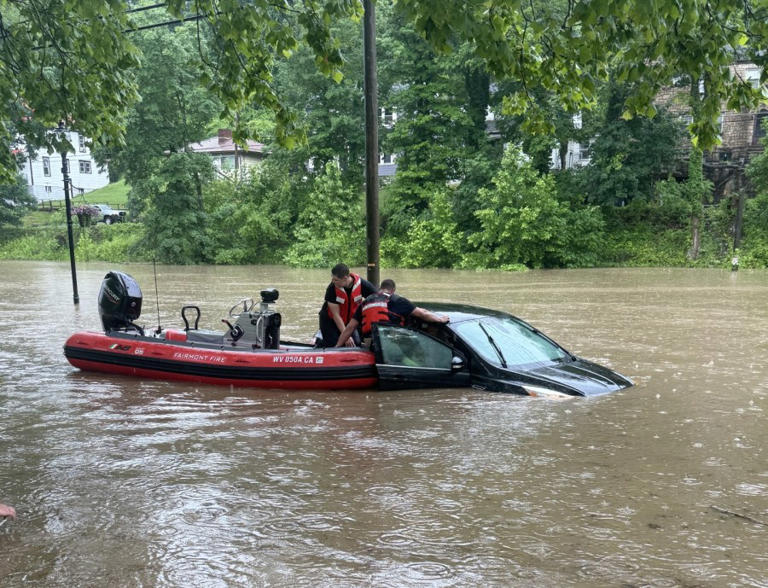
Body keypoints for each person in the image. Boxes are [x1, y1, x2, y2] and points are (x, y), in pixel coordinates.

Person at [335, 278, 449, 347]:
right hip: (392, 342)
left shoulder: (366, 303)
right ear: (393, 290)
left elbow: (349, 328)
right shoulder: (398, 301)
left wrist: (337, 346)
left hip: (372, 343)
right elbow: (422, 314)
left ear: (380, 288)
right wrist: (440, 319)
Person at [318, 263, 377, 347]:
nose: (333, 281)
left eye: (336, 280)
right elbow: (336, 315)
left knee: (355, 343)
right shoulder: (331, 289)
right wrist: (346, 337)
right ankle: (320, 342)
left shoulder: (363, 285)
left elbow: (377, 297)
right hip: (330, 321)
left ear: (345, 278)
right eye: (332, 279)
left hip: (349, 322)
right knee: (334, 344)